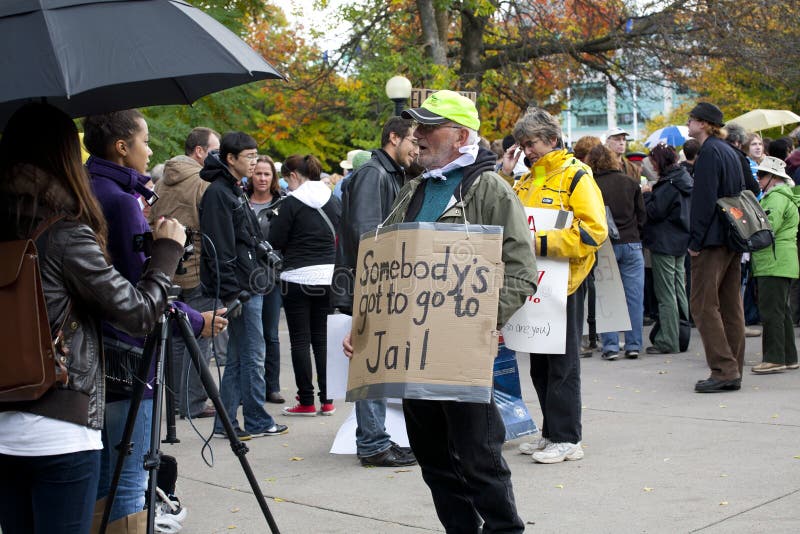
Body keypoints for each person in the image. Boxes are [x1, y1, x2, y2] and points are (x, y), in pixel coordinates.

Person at [347, 90, 537, 532]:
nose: (419, 135)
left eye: (430, 127)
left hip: (460, 356)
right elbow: (387, 267)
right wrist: (366, 324)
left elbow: (520, 271)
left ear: (461, 135)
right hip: (414, 356)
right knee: (434, 462)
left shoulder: (488, 188)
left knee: (478, 461)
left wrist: (485, 324)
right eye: (417, 127)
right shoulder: (413, 188)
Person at [0, 102, 186, 534]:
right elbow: (138, 313)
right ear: (65, 154)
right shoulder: (63, 231)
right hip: (60, 423)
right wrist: (166, 253)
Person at [83, 110, 223, 524]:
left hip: (94, 356)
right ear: (122, 148)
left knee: (105, 476)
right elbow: (137, 290)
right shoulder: (120, 200)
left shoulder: (91, 188)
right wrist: (195, 319)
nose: (151, 150)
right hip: (127, 355)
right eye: (145, 141)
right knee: (127, 480)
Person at [504, 107, 607, 463]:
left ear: (550, 139)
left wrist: (539, 242)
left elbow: (594, 230)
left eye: (530, 143)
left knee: (562, 363)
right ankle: (551, 432)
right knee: (540, 362)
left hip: (566, 283)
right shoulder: (527, 179)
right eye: (522, 144)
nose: (526, 150)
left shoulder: (577, 175)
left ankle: (567, 437)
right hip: (534, 284)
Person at [331, 116, 419, 467]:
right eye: (413, 140)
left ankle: (376, 439)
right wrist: (379, 283)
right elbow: (366, 234)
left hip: (381, 281)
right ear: (394, 138)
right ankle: (372, 444)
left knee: (378, 362)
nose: (416, 148)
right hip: (372, 282)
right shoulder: (374, 174)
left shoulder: (390, 173)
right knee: (371, 361)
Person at [200, 132, 288, 439]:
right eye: (249, 157)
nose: (254, 162)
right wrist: (232, 291)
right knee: (252, 353)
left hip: (248, 282)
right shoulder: (219, 193)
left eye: (256, 156)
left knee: (240, 355)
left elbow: (247, 237)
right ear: (231, 159)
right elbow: (220, 249)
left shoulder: (232, 189)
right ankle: (256, 419)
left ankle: (228, 422)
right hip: (240, 286)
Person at [150, 126, 221, 420]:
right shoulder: (202, 182)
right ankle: (190, 403)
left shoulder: (161, 181)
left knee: (176, 337)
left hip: (166, 264)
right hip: (196, 268)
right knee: (198, 336)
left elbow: (151, 217)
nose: (218, 158)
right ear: (200, 151)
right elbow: (211, 226)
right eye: (214, 151)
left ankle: (177, 401)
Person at [268, 155, 341, 416]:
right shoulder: (333, 200)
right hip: (329, 277)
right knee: (321, 341)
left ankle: (307, 401)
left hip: (296, 278)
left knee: (300, 341)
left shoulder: (290, 204)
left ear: (295, 176)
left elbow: (275, 239)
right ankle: (328, 400)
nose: (287, 184)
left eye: (287, 179)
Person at [686, 102, 747, 393]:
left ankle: (724, 370)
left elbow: (703, 201)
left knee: (702, 305)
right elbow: (748, 187)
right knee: (731, 305)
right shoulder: (730, 151)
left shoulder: (709, 152)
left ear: (703, 123)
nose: (688, 123)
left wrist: (695, 241)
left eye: (692, 119)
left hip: (711, 240)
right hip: (732, 235)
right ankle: (733, 366)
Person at [587, 144, 646, 360]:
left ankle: (610, 346)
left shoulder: (590, 185)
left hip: (604, 245)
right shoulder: (630, 182)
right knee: (634, 298)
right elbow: (642, 216)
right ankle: (633, 345)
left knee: (607, 297)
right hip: (631, 243)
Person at [641, 144, 693, 354]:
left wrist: (646, 194)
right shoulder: (684, 179)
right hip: (681, 240)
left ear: (660, 161)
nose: (652, 166)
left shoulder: (668, 184)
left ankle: (668, 340)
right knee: (679, 289)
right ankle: (681, 336)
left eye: (653, 162)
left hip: (664, 242)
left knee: (665, 294)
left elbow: (654, 211)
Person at [750, 157, 799, 373]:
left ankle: (774, 358)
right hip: (782, 260)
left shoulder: (775, 199)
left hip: (774, 261)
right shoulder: (782, 196)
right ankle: (788, 356)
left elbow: (768, 228)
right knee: (781, 311)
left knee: (771, 312)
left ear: (773, 178)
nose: (758, 179)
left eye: (761, 175)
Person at [247, 155, 286, 404]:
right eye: (258, 173)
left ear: (273, 177)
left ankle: (271, 386)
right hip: (246, 278)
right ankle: (247, 387)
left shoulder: (282, 204)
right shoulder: (241, 202)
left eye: (266, 174)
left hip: (272, 277)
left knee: (270, 333)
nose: (262, 178)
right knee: (248, 337)